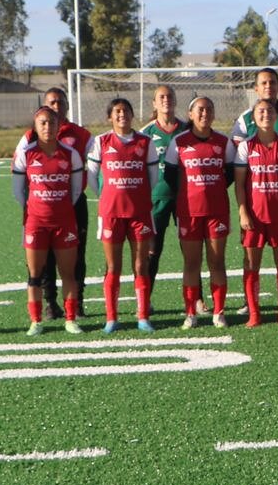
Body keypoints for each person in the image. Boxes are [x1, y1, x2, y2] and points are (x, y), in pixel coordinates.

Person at [88, 97, 161, 333]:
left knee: (141, 265)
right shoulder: (101, 141)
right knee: (113, 266)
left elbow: (153, 177)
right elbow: (92, 175)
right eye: (117, 111)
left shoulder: (145, 142)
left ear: (132, 115)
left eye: (126, 111)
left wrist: (139, 196)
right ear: (110, 116)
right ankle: (112, 318)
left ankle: (142, 317)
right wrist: (106, 195)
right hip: (111, 213)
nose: (122, 115)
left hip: (139, 213)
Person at [12, 105, 85, 335]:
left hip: (64, 221)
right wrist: (36, 208)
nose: (47, 127)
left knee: (68, 273)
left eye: (51, 122)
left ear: (58, 126)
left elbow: (75, 191)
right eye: (42, 122)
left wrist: (59, 206)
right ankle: (36, 320)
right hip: (36, 222)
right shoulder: (27, 153)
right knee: (35, 274)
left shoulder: (70, 154)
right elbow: (18, 192)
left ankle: (71, 319)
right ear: (35, 126)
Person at [164, 96, 235, 328]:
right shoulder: (179, 142)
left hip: (217, 211)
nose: (205, 113)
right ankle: (190, 313)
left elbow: (231, 174)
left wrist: (211, 188)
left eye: (209, 109)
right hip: (189, 212)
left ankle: (219, 312)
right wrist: (190, 192)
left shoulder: (224, 142)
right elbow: (170, 177)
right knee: (191, 263)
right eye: (200, 110)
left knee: (217, 262)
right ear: (191, 114)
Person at [235, 98, 278, 326]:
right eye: (261, 111)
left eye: (270, 111)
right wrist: (243, 212)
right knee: (251, 263)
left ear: (276, 116)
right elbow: (239, 184)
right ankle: (254, 313)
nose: (266, 114)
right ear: (254, 117)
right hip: (254, 217)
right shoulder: (246, 146)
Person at [140, 84, 185, 290]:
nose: (166, 100)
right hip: (155, 200)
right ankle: (145, 300)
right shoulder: (145, 134)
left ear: (175, 101)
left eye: (169, 96)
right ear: (154, 103)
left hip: (185, 199)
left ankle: (198, 299)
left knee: (190, 249)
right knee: (152, 250)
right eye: (161, 97)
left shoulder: (187, 130)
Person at [234, 67, 278, 142]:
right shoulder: (245, 118)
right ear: (256, 89)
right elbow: (237, 149)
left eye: (272, 82)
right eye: (264, 83)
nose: (268, 86)